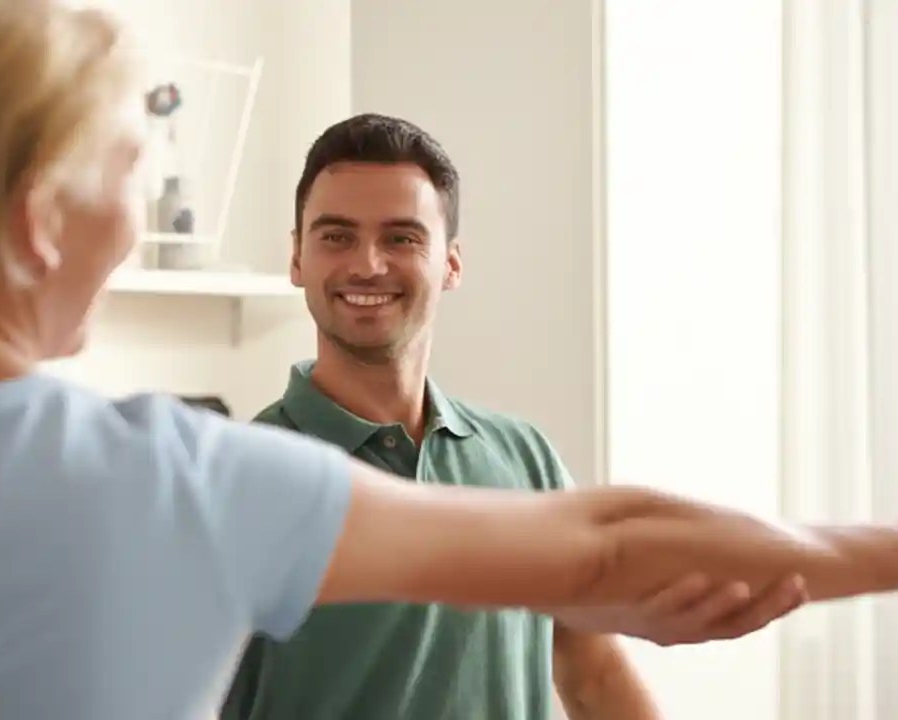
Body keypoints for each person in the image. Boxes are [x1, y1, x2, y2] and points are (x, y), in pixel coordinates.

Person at [0, 2, 898, 719]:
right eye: (135, 169)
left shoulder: (507, 451)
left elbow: (588, 627)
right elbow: (607, 548)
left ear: (449, 262)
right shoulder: (183, 480)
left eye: (399, 236)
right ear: (40, 220)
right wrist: (892, 556)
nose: (139, 219)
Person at [221, 114, 814, 720]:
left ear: (451, 264)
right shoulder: (238, 478)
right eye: (336, 237)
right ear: (297, 257)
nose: (368, 264)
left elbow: (594, 675)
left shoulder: (522, 457)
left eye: (401, 238)